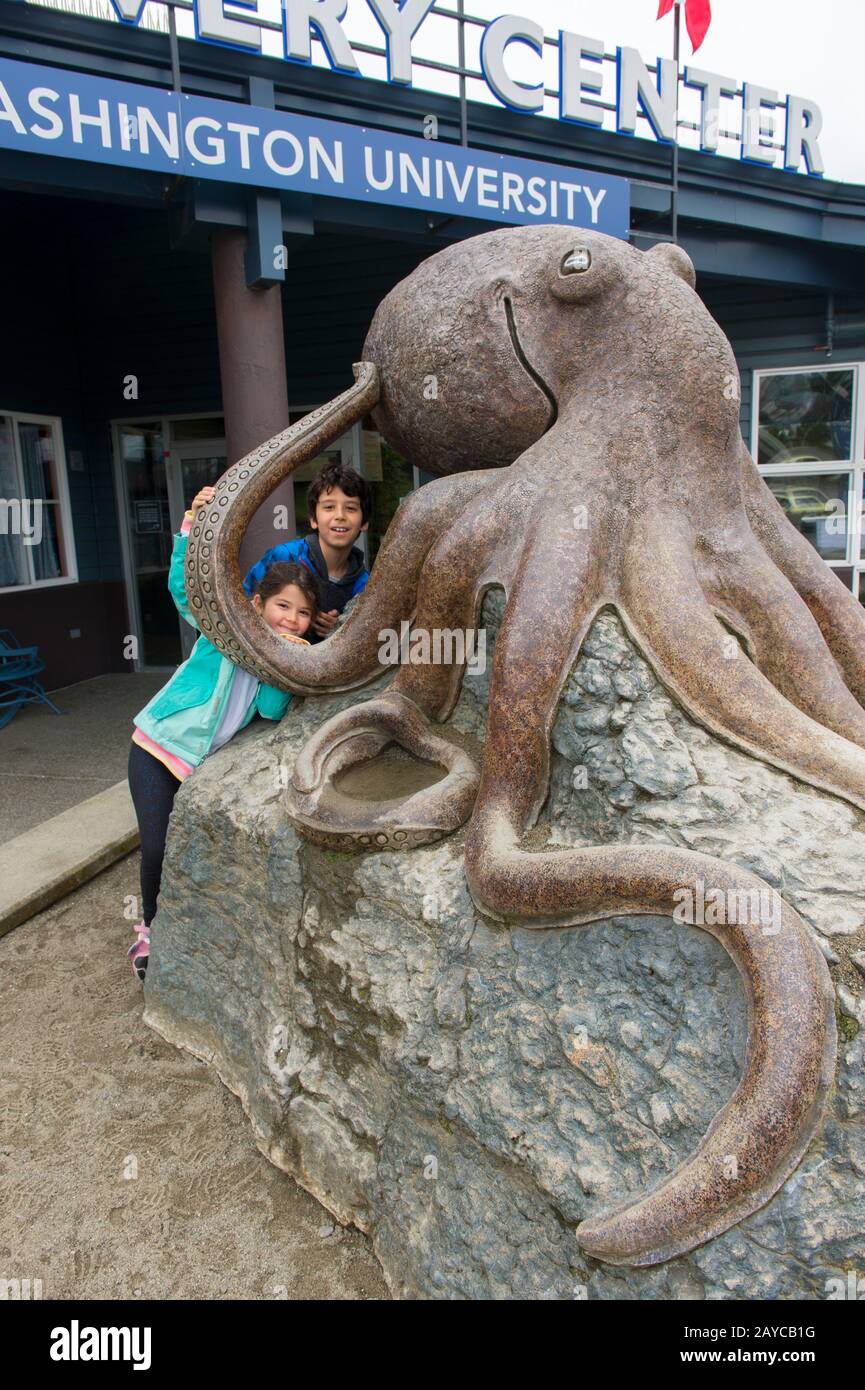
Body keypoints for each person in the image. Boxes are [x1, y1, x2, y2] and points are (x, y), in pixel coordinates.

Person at [126, 487, 319, 983]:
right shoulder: (224, 633)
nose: (290, 619)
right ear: (256, 603)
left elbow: (273, 711)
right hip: (157, 750)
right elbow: (184, 590)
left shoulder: (276, 656)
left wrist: (285, 663)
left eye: (300, 614)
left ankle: (184, 921)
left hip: (199, 767)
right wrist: (193, 523)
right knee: (156, 845)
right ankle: (149, 928)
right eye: (282, 606)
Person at [243, 461, 371, 640]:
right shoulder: (284, 556)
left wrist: (338, 630)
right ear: (313, 519)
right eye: (329, 507)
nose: (340, 516)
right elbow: (243, 603)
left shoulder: (365, 585)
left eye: (350, 508)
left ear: (364, 522)